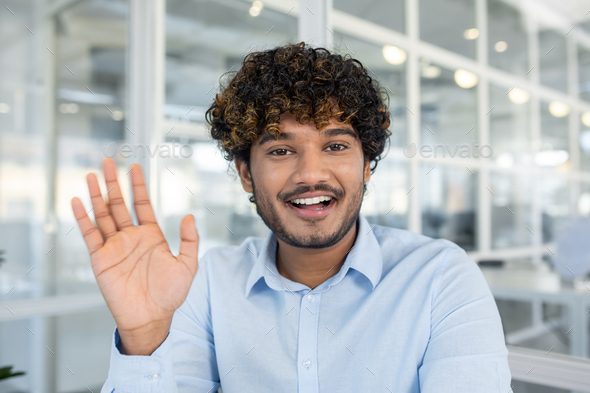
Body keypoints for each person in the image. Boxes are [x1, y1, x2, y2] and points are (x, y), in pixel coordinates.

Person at [71, 42, 512, 393]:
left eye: (336, 146)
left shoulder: (439, 277)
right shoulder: (209, 285)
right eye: (281, 150)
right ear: (246, 173)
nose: (311, 174)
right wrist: (146, 339)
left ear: (366, 166)